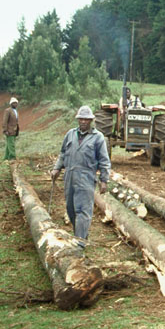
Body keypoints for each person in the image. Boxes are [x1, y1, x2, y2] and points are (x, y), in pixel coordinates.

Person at [50, 105, 111, 247]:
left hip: (86, 177)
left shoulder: (98, 138)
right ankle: (81, 235)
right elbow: (63, 153)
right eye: (81, 119)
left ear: (91, 121)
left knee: (83, 210)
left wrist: (104, 180)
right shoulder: (70, 134)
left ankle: (79, 243)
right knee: (71, 209)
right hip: (69, 176)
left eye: (86, 119)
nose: (83, 121)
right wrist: (57, 168)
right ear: (78, 120)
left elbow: (104, 160)